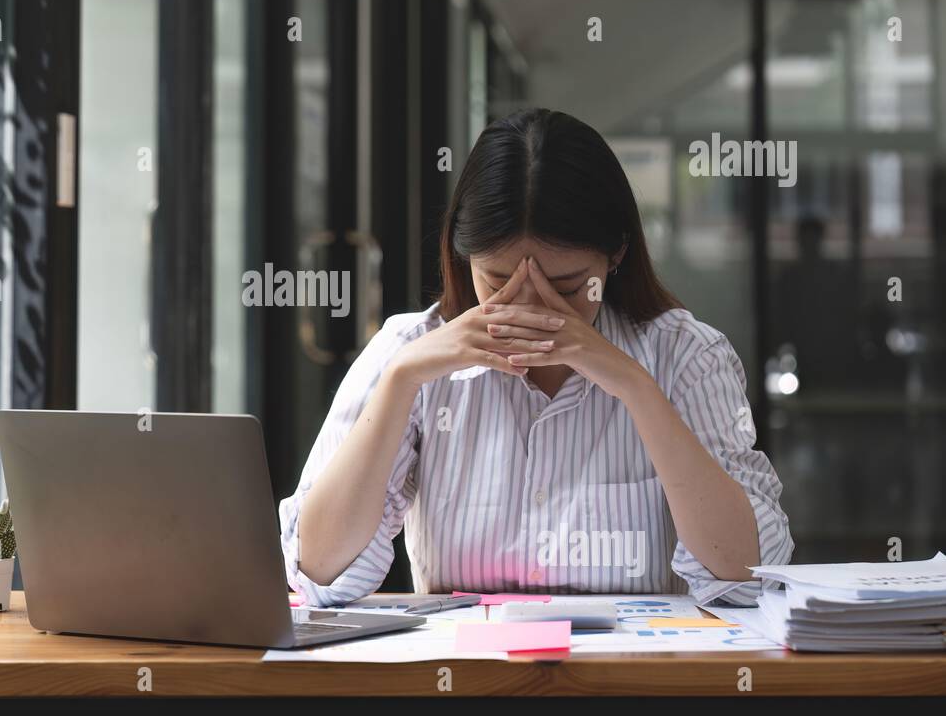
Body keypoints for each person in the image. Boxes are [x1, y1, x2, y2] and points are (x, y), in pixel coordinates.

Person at [279, 108, 794, 606]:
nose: (529, 306)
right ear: (464, 257)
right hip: (464, 684)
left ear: (616, 254)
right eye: (498, 282)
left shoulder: (685, 355)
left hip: (637, 682)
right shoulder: (408, 352)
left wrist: (636, 388)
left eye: (566, 287)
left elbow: (747, 579)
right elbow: (321, 576)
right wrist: (398, 384)